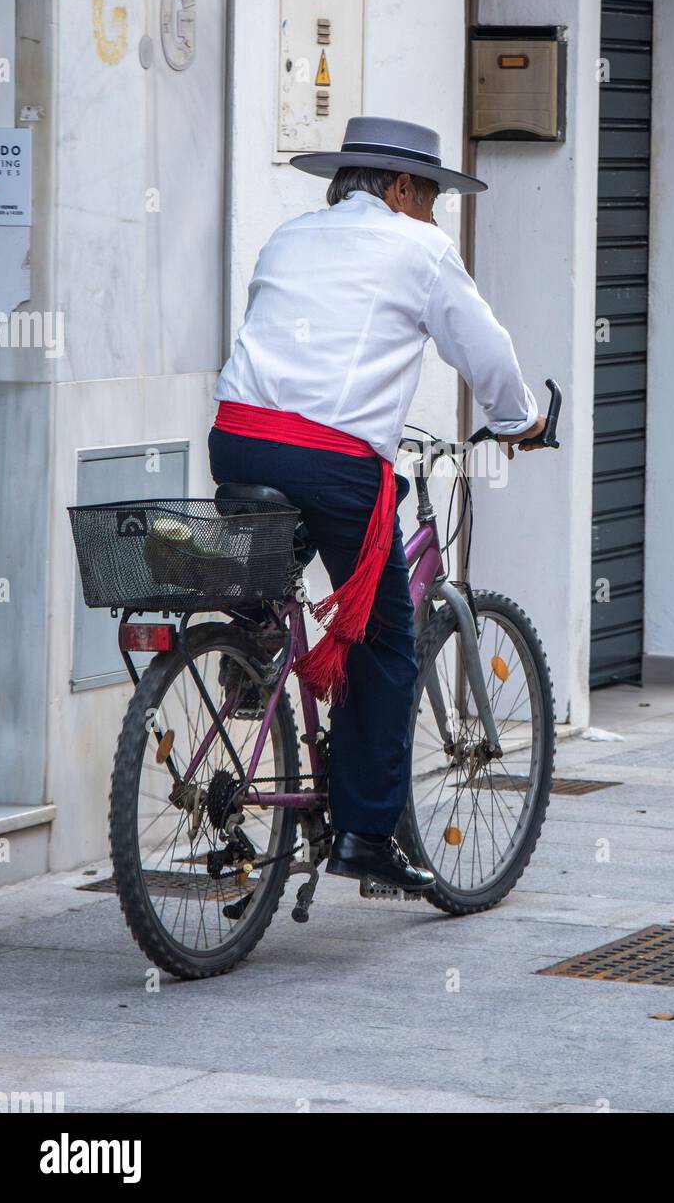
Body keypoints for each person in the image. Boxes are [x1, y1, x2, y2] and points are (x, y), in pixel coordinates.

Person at [209, 115, 545, 893]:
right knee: (386, 640)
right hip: (334, 464)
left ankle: (248, 650)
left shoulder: (291, 235)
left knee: (281, 585)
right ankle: (363, 833)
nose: (432, 213)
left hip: (238, 439)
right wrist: (518, 420)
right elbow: (484, 347)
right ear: (400, 188)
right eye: (429, 195)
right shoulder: (418, 249)